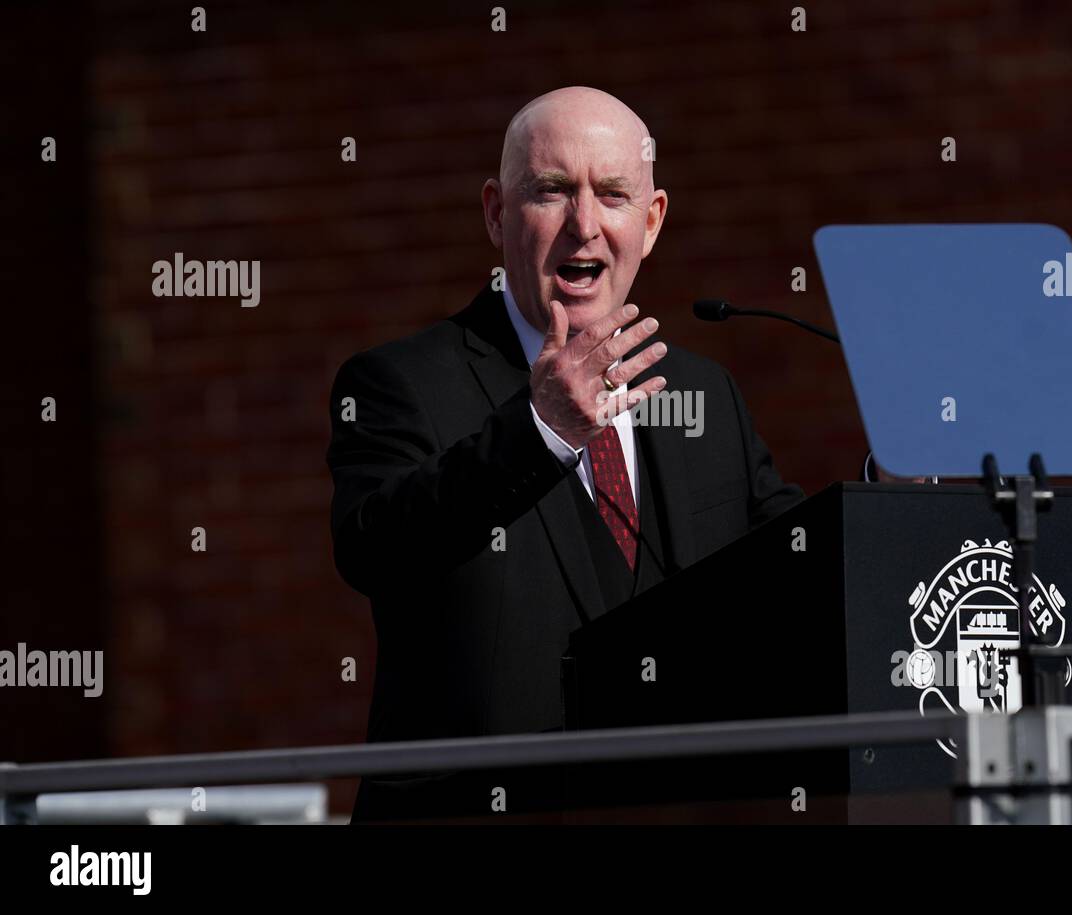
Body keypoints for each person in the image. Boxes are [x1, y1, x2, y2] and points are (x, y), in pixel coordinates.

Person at [327, 86, 803, 821]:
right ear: (496, 212)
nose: (584, 226)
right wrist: (539, 428)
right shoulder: (400, 384)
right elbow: (374, 548)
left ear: (651, 223)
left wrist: (887, 487)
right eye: (552, 191)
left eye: (612, 195)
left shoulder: (705, 396)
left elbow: (792, 568)